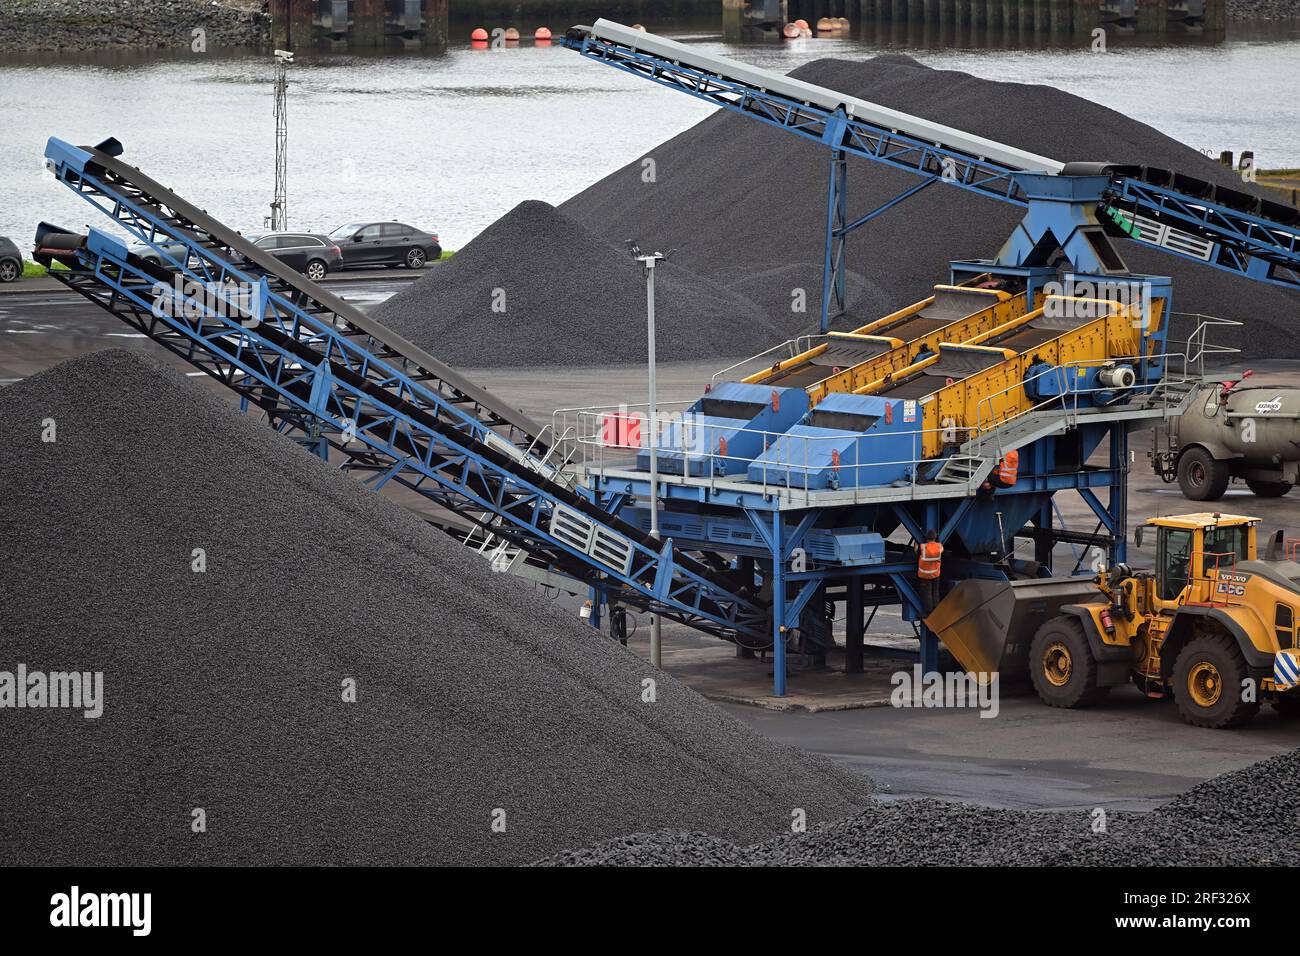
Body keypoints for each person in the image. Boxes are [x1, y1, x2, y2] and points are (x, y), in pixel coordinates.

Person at [917, 529, 943, 615]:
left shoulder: (923, 547)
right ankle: (936, 608)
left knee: (927, 593)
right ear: (935, 537)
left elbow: (916, 553)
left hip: (925, 575)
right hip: (935, 574)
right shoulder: (939, 547)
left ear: (926, 538)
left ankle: (929, 611)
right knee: (935, 592)